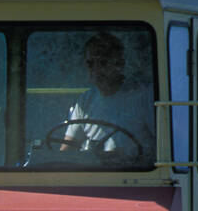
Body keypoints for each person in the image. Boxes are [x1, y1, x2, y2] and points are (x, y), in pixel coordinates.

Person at [59, 32, 155, 163]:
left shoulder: (144, 97)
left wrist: (124, 156)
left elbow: (164, 147)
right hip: (93, 178)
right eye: (91, 64)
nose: (96, 70)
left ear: (120, 64)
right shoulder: (85, 100)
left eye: (103, 63)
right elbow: (68, 148)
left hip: (133, 177)